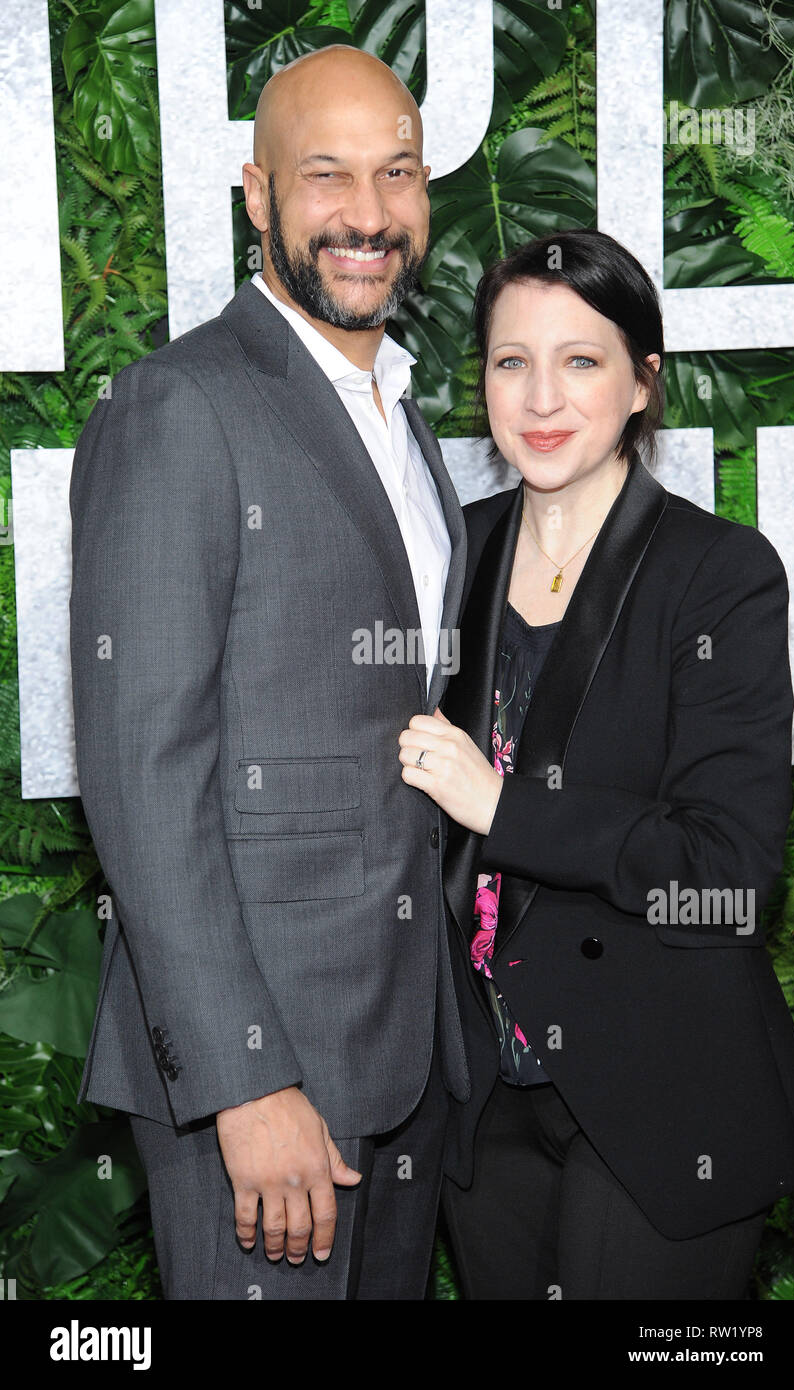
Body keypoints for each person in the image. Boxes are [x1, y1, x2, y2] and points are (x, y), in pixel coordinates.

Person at [69, 44, 471, 1301]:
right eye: (325, 175)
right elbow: (143, 771)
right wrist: (246, 1077)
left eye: (396, 174)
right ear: (257, 195)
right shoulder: (182, 403)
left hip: (403, 1058)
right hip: (263, 1075)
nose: (366, 213)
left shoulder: (402, 417)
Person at [398, 229, 794, 1300]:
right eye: (510, 361)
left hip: (661, 1089)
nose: (541, 394)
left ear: (643, 383)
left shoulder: (717, 577)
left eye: (581, 360)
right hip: (483, 1097)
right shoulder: (445, 557)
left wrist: (503, 807)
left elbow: (726, 870)